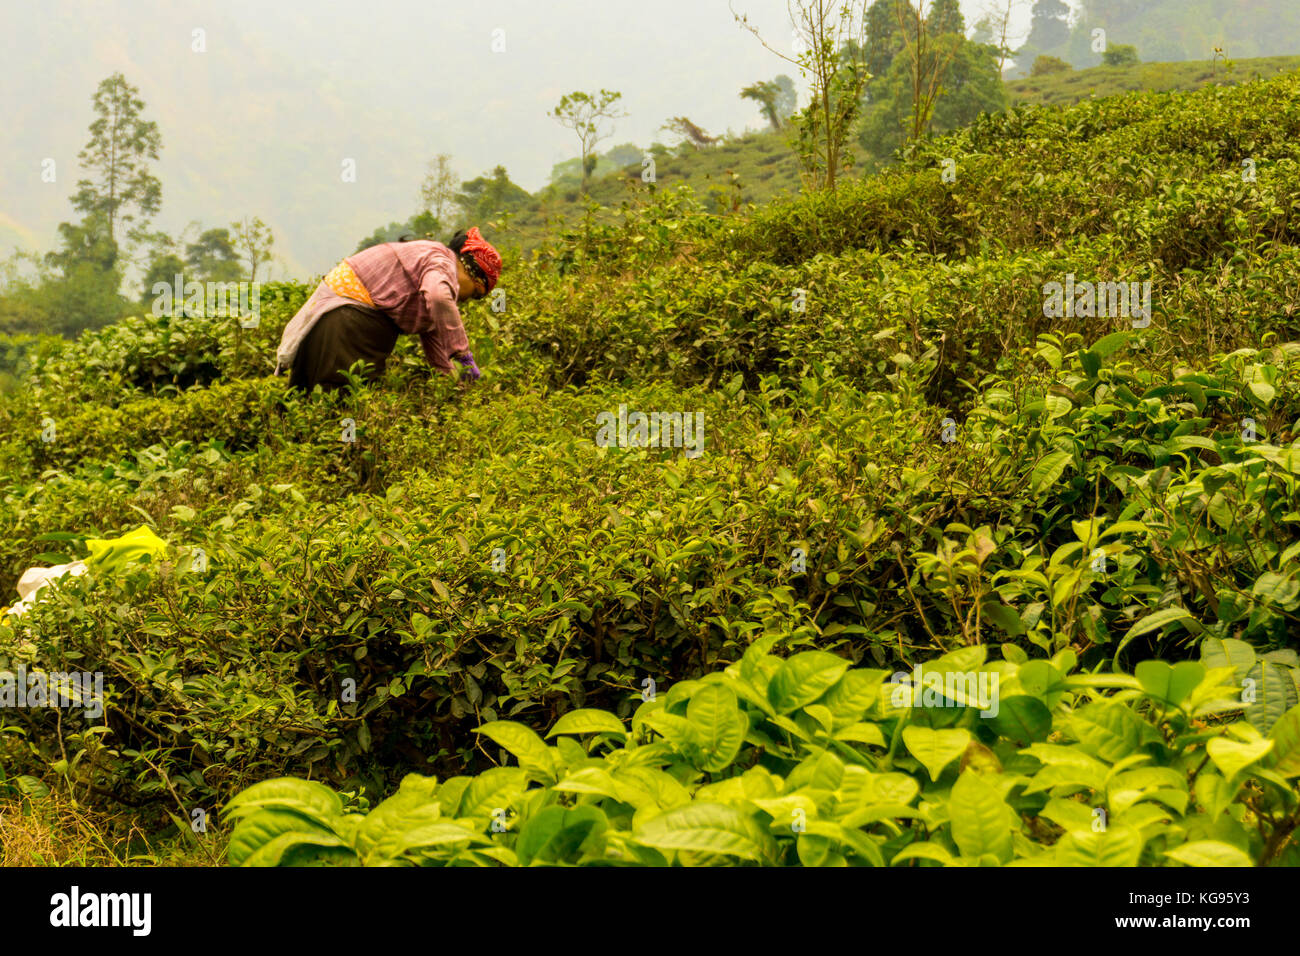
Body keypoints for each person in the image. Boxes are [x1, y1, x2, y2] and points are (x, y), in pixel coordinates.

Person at [275, 227, 502, 393]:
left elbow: (435, 344)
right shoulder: (441, 262)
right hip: (348, 324)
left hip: (336, 322)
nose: (465, 300)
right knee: (341, 406)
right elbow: (439, 298)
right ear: (471, 272)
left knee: (307, 400)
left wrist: (456, 384)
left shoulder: (431, 262)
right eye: (475, 294)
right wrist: (463, 355)